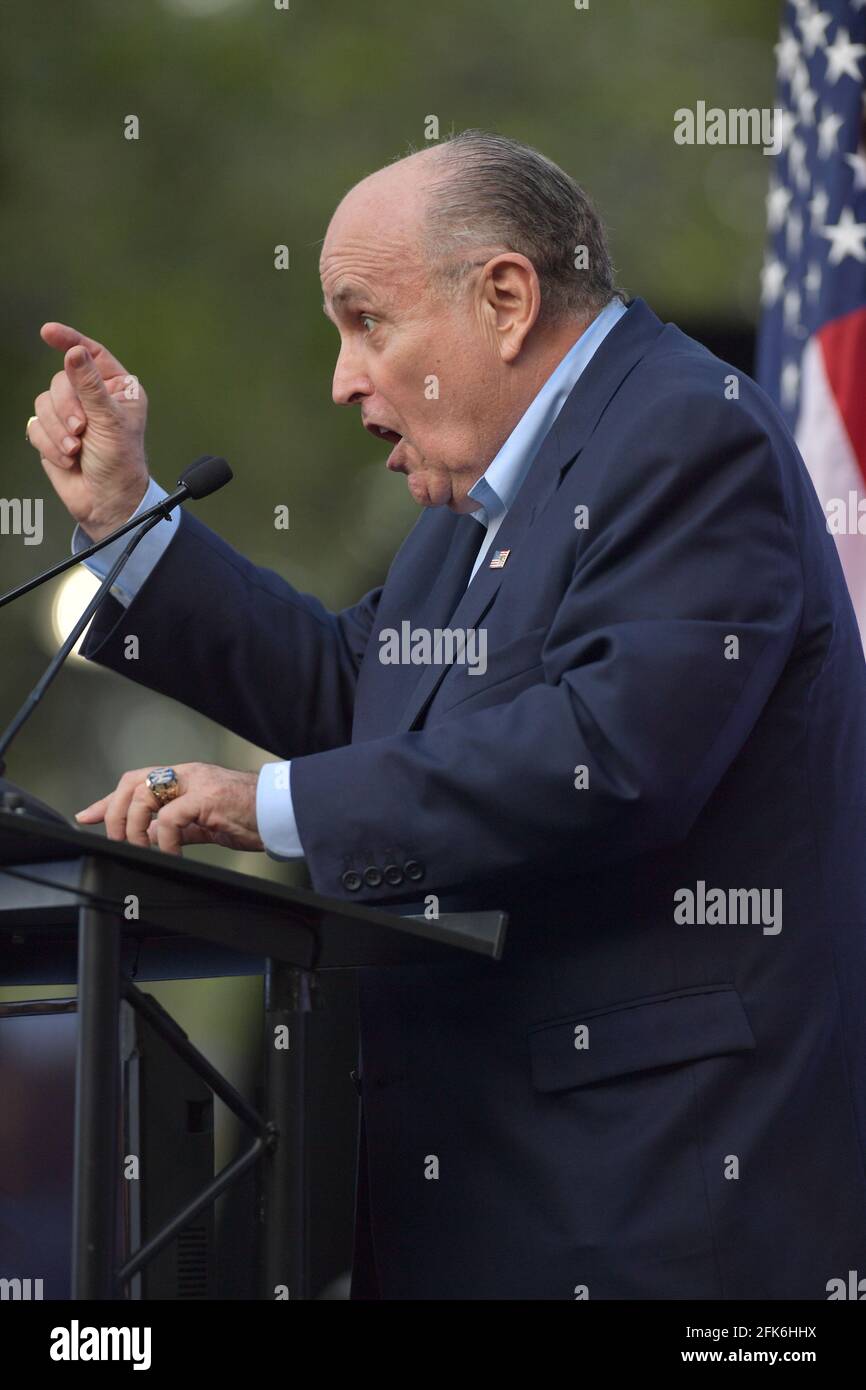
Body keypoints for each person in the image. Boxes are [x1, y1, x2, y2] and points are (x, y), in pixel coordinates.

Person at [27, 130, 866, 1299]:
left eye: (365, 322)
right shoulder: (481, 500)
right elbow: (354, 690)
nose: (341, 378)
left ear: (504, 299)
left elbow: (604, 752)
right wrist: (130, 525)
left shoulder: (687, 431)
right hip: (489, 1205)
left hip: (646, 1212)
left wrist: (269, 805)